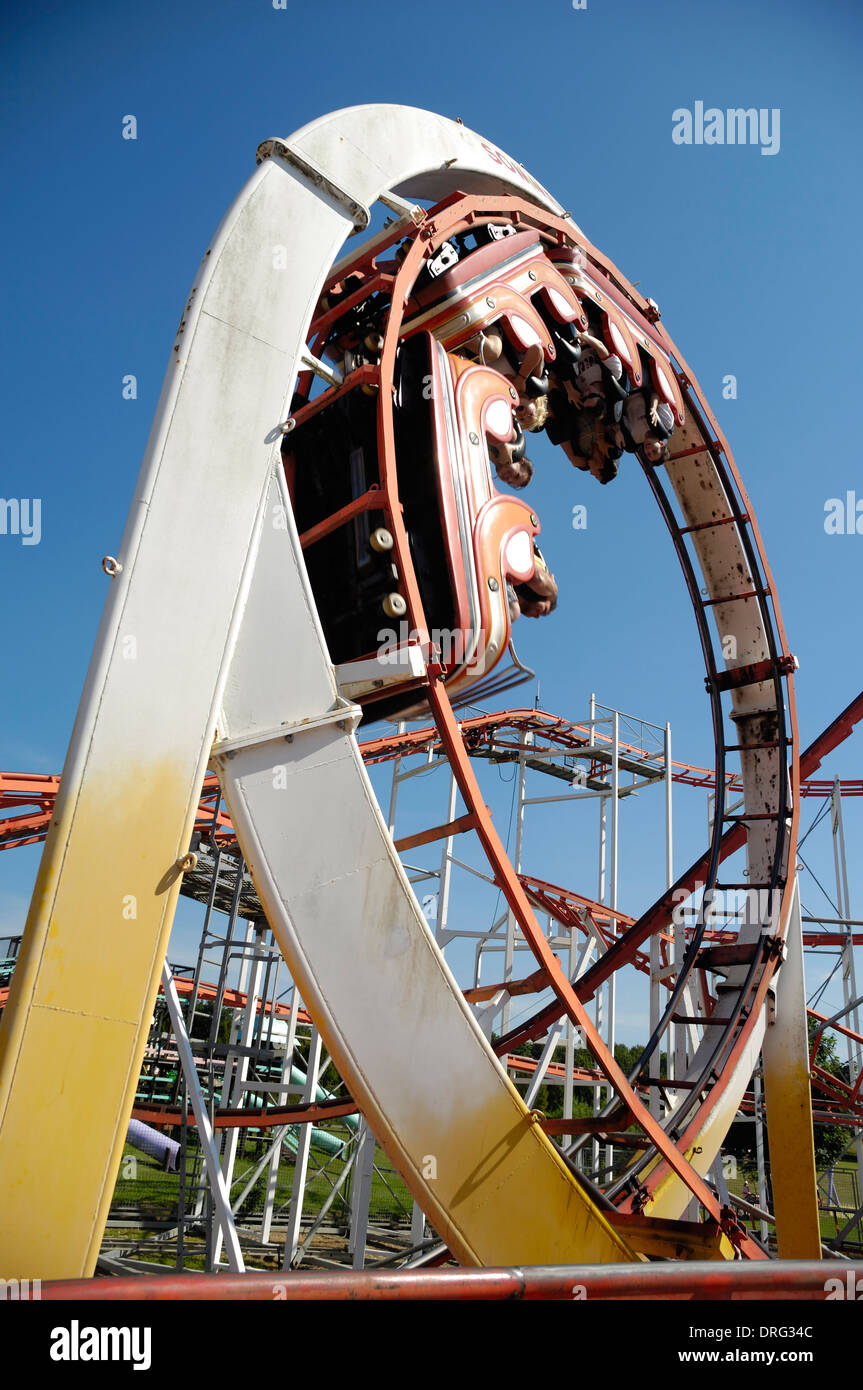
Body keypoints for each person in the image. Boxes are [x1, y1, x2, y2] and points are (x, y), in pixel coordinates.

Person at [622, 386, 674, 462]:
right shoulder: (666, 424)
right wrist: (653, 408)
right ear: (661, 444)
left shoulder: (635, 438)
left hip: (623, 393)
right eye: (654, 451)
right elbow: (657, 394)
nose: (649, 449)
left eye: (648, 454)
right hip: (640, 385)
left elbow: (621, 417)